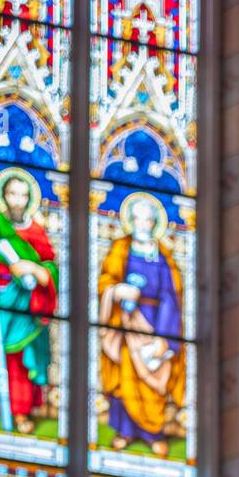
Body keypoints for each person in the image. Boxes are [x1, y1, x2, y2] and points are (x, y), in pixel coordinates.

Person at [0, 168, 57, 435]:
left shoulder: (37, 232)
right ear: (4, 195)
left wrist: (35, 269)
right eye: (12, 194)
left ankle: (20, 412)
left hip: (24, 303)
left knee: (18, 356)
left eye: (23, 195)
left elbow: (49, 266)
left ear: (30, 198)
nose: (17, 200)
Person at [98, 192, 186, 456]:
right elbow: (105, 282)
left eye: (148, 220)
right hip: (126, 321)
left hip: (155, 322)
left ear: (154, 223)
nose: (142, 225)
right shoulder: (120, 249)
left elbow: (171, 297)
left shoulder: (162, 257)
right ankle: (125, 431)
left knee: (154, 378)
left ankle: (152, 432)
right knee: (126, 376)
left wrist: (164, 337)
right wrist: (117, 291)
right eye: (137, 219)